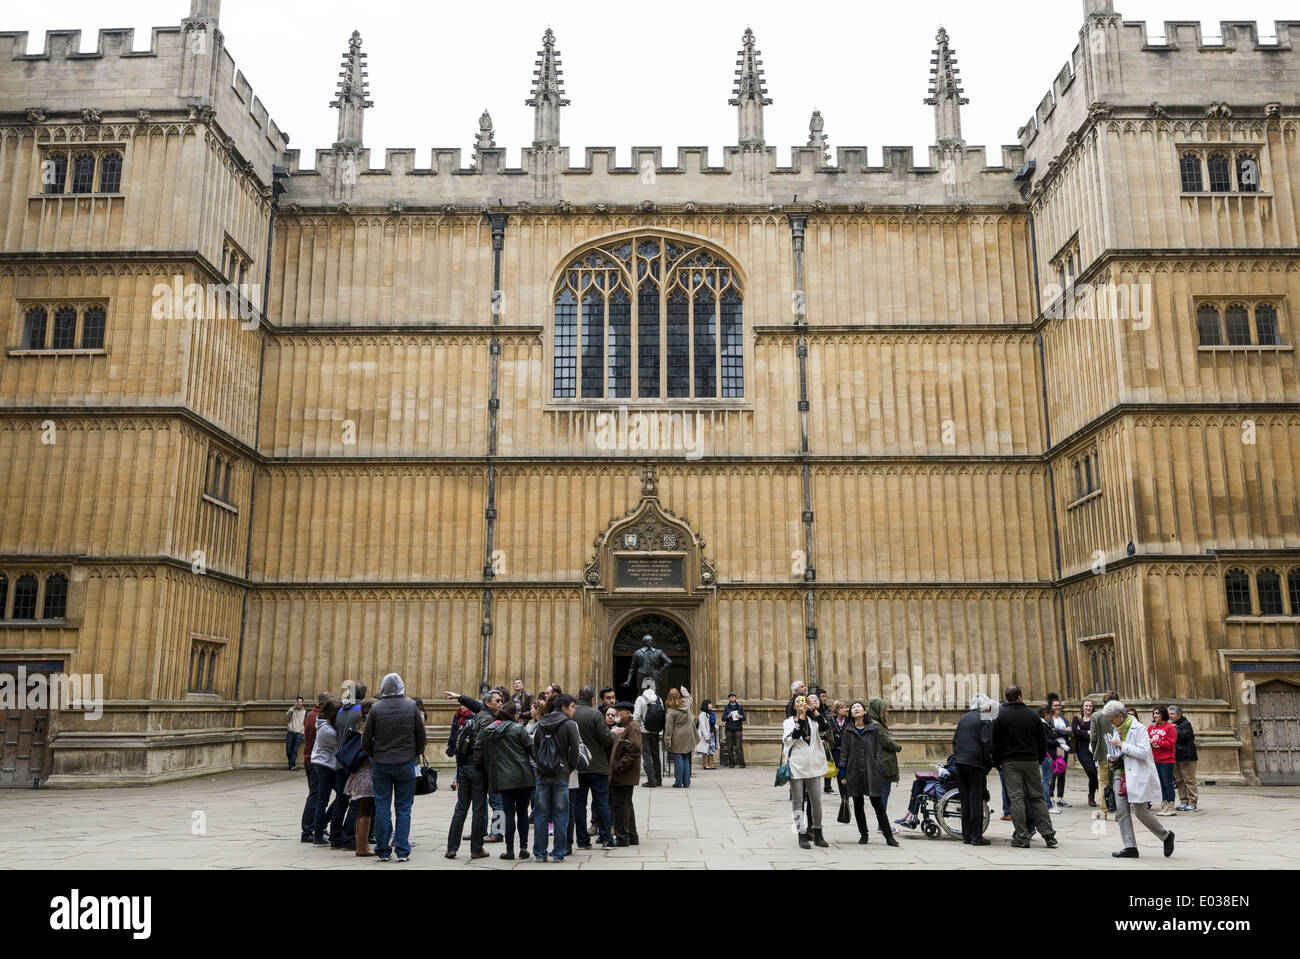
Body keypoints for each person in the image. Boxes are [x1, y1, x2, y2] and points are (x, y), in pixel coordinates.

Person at [361, 674, 424, 863]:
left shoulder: (376, 708)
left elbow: (366, 739)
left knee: (382, 806)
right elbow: (421, 736)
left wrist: (374, 755)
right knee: (404, 808)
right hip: (405, 764)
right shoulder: (411, 706)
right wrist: (413, 754)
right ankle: (403, 851)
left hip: (381, 764)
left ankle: (383, 850)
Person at [1103, 699, 1175, 859]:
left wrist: (1122, 746)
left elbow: (1143, 752)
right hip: (1120, 773)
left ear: (1121, 716)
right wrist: (1111, 757)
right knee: (1121, 811)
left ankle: (1166, 835)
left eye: (1112, 719)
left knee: (1140, 811)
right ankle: (1130, 847)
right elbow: (1113, 749)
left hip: (1136, 774)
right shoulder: (1117, 728)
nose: (1111, 723)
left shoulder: (1139, 728)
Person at [991, 685, 1057, 849]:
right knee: (1037, 797)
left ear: (1007, 698)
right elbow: (1042, 742)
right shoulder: (1032, 715)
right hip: (1031, 760)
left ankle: (1022, 837)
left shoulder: (1000, 716)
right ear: (1020, 696)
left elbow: (995, 743)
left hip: (1010, 762)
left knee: (1016, 798)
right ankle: (1048, 835)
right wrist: (1038, 759)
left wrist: (998, 762)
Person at [443, 687, 504, 860]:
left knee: (461, 808)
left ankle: (451, 848)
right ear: (488, 703)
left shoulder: (480, 714)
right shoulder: (488, 719)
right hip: (477, 769)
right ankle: (476, 849)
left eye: (501, 700)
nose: (501, 703)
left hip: (464, 768)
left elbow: (476, 704)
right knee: (478, 810)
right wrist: (482, 764)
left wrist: (459, 697)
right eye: (497, 701)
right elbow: (481, 746)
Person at [839, 700, 899, 846]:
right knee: (858, 805)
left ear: (865, 711)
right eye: (853, 707)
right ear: (851, 713)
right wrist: (842, 771)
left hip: (871, 771)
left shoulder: (873, 729)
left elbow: (878, 749)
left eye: (859, 706)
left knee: (877, 804)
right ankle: (863, 834)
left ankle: (888, 836)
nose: (856, 709)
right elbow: (844, 751)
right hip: (854, 771)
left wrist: (878, 766)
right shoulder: (848, 730)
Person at [481, 701, 536, 861]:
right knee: (523, 813)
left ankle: (510, 850)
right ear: (513, 714)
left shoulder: (491, 730)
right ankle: (524, 848)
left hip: (504, 779)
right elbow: (531, 749)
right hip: (523, 776)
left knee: (509, 814)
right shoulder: (518, 729)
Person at [532, 693, 581, 862]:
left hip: (542, 774)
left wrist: (541, 764)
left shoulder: (541, 723)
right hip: (561, 774)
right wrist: (569, 768)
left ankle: (539, 853)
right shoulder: (569, 725)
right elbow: (575, 751)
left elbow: (535, 747)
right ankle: (559, 853)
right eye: (572, 707)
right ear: (563, 707)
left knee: (541, 814)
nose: (574, 710)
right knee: (561, 814)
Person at [570, 686, 615, 850]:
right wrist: (614, 733)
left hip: (578, 766)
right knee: (602, 802)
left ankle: (582, 840)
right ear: (592, 699)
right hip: (597, 765)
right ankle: (606, 838)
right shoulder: (595, 714)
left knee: (579, 804)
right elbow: (605, 739)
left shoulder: (571, 713)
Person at [783, 694, 829, 848]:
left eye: (804, 701)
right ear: (794, 705)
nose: (801, 703)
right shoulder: (788, 722)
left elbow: (825, 727)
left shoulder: (813, 721)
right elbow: (795, 735)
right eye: (798, 701)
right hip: (797, 765)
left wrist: (814, 710)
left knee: (816, 800)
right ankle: (801, 833)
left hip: (813, 765)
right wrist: (802, 716)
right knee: (797, 800)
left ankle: (818, 832)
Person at [951, 694, 997, 845]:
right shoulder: (985, 718)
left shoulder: (963, 718)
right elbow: (986, 743)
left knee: (965, 800)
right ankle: (976, 836)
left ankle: (966, 835)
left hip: (960, 762)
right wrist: (989, 762)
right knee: (976, 799)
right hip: (975, 763)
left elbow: (955, 740)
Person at [334, 681, 368, 849]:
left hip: (340, 760)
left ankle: (334, 837)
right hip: (354, 761)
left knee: (340, 800)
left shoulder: (341, 710)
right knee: (356, 800)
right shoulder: (360, 712)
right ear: (363, 695)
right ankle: (349, 837)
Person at [310, 696, 346, 847]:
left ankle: (321, 826)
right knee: (323, 800)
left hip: (326, 764)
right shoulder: (326, 729)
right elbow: (342, 741)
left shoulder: (325, 724)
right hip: (324, 765)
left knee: (342, 796)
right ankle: (318, 834)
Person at [345, 698, 377, 858]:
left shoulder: (360, 725)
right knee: (366, 810)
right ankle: (362, 847)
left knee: (362, 811)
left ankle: (361, 844)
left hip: (359, 774)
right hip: (367, 774)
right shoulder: (368, 729)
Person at [609, 701, 642, 846]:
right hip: (622, 773)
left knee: (620, 806)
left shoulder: (632, 727)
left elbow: (634, 750)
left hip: (624, 774)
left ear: (627, 713)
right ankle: (631, 836)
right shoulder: (623, 727)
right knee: (626, 804)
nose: (616, 714)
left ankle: (622, 838)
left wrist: (619, 766)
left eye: (619, 711)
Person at [299, 692, 328, 843]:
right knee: (315, 797)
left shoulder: (311, 714)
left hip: (309, 758)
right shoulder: (320, 718)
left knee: (315, 796)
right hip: (315, 761)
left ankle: (317, 827)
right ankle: (308, 831)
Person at [867, 698, 901, 815]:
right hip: (883, 764)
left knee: (883, 794)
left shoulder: (876, 724)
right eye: (884, 710)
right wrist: (897, 747)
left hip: (883, 763)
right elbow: (887, 742)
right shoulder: (876, 725)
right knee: (884, 794)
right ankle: (882, 824)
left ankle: (882, 824)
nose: (886, 713)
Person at [1091, 690, 1119, 816]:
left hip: (1102, 753)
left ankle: (1104, 810)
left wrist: (1095, 750)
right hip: (1118, 753)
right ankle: (1119, 812)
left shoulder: (1096, 716)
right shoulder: (1121, 716)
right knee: (1118, 781)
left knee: (1103, 782)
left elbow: (1094, 737)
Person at [633, 679, 665, 787]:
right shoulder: (659, 699)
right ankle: (658, 779)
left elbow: (636, 716)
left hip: (644, 731)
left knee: (646, 755)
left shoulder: (640, 699)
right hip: (655, 731)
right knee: (656, 755)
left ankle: (651, 780)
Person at [1148, 706, 1179, 817]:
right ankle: (1164, 805)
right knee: (1160, 784)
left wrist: (1158, 743)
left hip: (1167, 760)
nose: (1155, 715)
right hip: (1155, 759)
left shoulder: (1170, 727)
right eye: (1154, 713)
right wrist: (1150, 743)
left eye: (1157, 713)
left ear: (1163, 715)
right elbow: (1146, 740)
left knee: (1167, 783)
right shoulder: (1151, 727)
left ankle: (1171, 807)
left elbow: (1171, 743)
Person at [1169, 705, 1199, 812]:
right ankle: (1183, 801)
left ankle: (1193, 802)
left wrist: (1174, 729)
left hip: (1187, 757)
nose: (1170, 716)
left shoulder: (1186, 724)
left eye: (1172, 714)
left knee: (1189, 779)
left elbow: (1185, 736)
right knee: (1179, 780)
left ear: (1179, 714)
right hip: (1176, 756)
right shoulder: (1173, 725)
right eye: (1169, 714)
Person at [664, 686, 695, 787]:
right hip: (688, 734)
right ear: (679, 695)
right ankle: (686, 782)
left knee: (678, 758)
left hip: (677, 736)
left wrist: (667, 739)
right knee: (686, 758)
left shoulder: (670, 711)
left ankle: (678, 782)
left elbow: (668, 727)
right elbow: (690, 698)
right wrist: (684, 691)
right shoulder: (686, 704)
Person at [1072, 699, 1100, 807]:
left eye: (1090, 706)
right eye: (1086, 706)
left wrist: (1082, 732)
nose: (1088, 708)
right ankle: (1100, 795)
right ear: (1083, 707)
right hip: (1082, 750)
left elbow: (1098, 732)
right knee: (1092, 772)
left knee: (1096, 774)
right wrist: (1089, 732)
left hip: (1095, 749)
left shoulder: (1096, 718)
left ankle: (1093, 796)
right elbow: (1075, 731)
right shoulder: (1077, 718)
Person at [1047, 694, 1072, 807]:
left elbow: (1070, 733)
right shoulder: (1049, 719)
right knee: (1053, 773)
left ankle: (1060, 798)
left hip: (1064, 748)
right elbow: (1050, 733)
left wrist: (1057, 731)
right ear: (1051, 707)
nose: (1058, 707)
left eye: (1059, 705)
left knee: (1062, 772)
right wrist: (1063, 731)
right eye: (1055, 705)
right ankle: (1050, 797)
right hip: (1054, 747)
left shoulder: (1064, 719)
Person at [721, 693, 747, 768]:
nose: (732, 698)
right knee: (729, 747)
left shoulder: (739, 707)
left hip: (738, 728)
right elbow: (723, 718)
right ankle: (731, 763)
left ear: (735, 698)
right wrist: (728, 716)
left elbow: (744, 718)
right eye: (730, 697)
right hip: (729, 729)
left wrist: (740, 716)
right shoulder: (726, 708)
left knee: (739, 746)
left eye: (733, 697)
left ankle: (742, 763)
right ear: (729, 699)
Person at [285, 697, 307, 771]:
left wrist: (302, 732)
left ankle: (292, 766)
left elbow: (306, 723)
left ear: (302, 703)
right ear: (295, 702)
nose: (299, 703)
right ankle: (291, 764)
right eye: (298, 701)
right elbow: (286, 716)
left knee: (294, 751)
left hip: (298, 734)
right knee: (288, 750)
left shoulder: (305, 712)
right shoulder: (292, 710)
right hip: (290, 733)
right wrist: (293, 708)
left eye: (300, 701)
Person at [696, 699, 717, 770]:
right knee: (705, 750)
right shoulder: (702, 715)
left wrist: (716, 727)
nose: (711, 705)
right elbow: (703, 726)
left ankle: (710, 763)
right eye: (710, 704)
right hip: (706, 735)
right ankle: (705, 764)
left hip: (712, 734)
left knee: (711, 749)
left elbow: (714, 723)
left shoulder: (711, 714)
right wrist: (706, 737)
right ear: (706, 705)